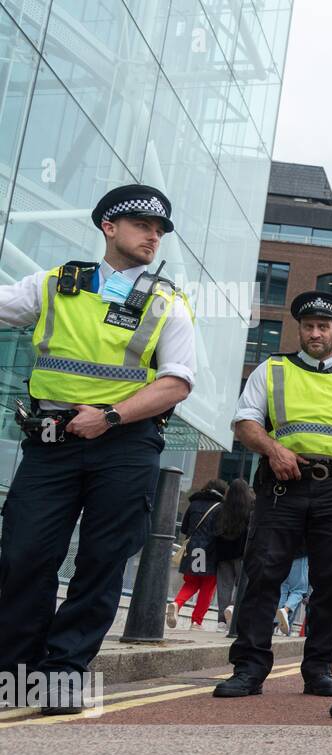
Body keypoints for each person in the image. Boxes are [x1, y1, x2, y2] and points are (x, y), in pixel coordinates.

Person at [0, 184, 196, 714]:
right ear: (109, 227)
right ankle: (15, 673)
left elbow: (177, 382)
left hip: (125, 445)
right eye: (142, 226)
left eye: (159, 230)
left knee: (102, 560)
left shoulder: (167, 300)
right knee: (24, 555)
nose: (153, 235)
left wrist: (109, 416)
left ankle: (63, 672)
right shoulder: (54, 283)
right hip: (51, 442)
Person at [215, 290, 332, 699]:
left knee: (330, 579)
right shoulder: (273, 369)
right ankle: (249, 668)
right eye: (309, 326)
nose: (316, 333)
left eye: (324, 326)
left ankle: (319, 671)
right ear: (300, 330)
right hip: (283, 484)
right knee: (263, 576)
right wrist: (273, 449)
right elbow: (244, 422)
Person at [166, 479, 227, 630]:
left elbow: (184, 528)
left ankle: (177, 603)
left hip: (192, 550)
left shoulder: (193, 504)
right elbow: (219, 533)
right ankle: (196, 622)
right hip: (210, 553)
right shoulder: (221, 507)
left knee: (191, 582)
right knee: (207, 588)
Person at [213, 478, 254, 633]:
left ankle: (221, 621)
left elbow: (215, 529)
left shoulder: (221, 508)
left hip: (223, 553)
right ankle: (232, 609)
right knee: (242, 585)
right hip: (242, 552)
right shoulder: (250, 508)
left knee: (224, 586)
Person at [275, 553, 310, 636]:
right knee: (300, 590)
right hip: (299, 553)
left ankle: (278, 624)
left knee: (283, 587)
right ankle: (285, 610)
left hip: (283, 552)